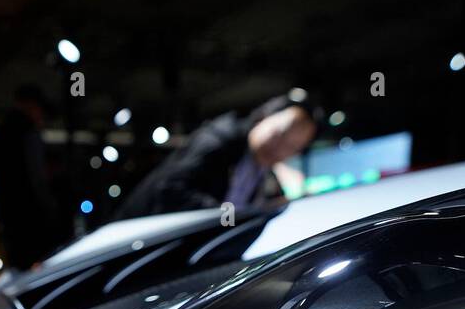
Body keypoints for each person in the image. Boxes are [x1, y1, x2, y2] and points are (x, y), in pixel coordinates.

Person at [114, 93, 318, 220]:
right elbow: (169, 189)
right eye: (280, 134)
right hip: (134, 240)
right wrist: (231, 215)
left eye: (292, 147)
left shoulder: (261, 166)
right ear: (263, 117)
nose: (281, 148)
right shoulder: (218, 140)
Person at [0, 84, 63, 270]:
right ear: (32, 106)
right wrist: (50, 210)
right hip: (32, 219)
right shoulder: (27, 134)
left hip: (11, 217)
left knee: (21, 270)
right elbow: (37, 179)